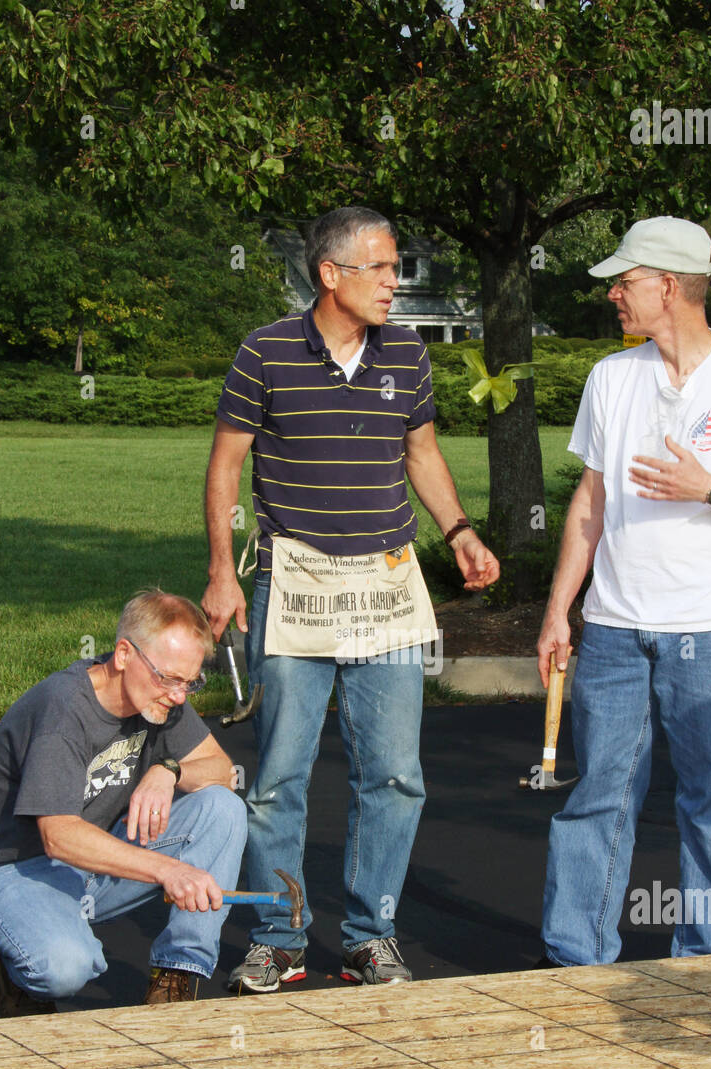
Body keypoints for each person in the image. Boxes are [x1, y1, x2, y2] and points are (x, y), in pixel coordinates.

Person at [201, 205, 499, 991]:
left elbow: (422, 452)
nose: (395, 283)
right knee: (277, 778)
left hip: (387, 587)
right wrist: (222, 571)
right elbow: (226, 466)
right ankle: (279, 936)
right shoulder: (265, 351)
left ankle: (372, 937)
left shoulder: (407, 350)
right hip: (294, 582)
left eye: (396, 268)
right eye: (382, 269)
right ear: (330, 274)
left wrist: (460, 530)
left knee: (396, 773)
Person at [536, 215, 711, 966]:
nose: (612, 297)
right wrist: (559, 609)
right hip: (614, 630)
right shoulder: (610, 377)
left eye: (623, 283)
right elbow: (591, 504)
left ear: (667, 286)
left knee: (710, 807)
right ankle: (575, 961)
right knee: (599, 796)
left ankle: (709, 968)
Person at [0, 590, 247, 1014]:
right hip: (10, 871)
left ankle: (177, 973)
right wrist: (171, 870)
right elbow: (58, 837)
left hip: (90, 859)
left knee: (223, 809)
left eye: (191, 682)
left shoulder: (163, 699)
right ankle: (22, 967)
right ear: (124, 654)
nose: (181, 695)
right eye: (169, 678)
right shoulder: (63, 710)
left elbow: (224, 771)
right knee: (64, 965)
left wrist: (168, 770)